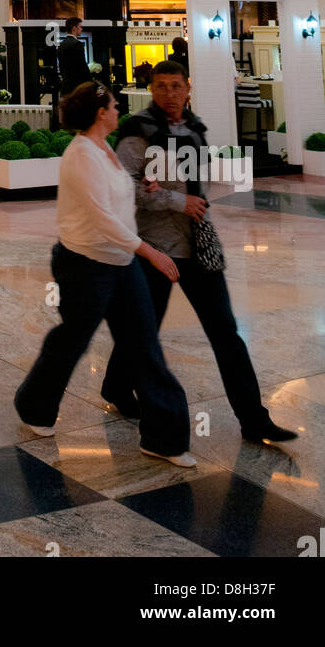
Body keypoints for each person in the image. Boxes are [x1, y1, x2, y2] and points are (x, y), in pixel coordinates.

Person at [101, 61, 297, 444]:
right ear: (151, 89)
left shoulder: (195, 129)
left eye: (176, 86)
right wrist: (176, 201)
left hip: (198, 248)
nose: (169, 94)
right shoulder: (137, 132)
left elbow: (197, 187)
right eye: (161, 86)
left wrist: (187, 203)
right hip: (155, 251)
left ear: (188, 88)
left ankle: (254, 419)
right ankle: (116, 387)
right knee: (144, 332)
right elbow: (123, 188)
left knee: (226, 333)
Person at [14, 81, 194, 466]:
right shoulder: (80, 155)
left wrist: (144, 184)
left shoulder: (103, 147)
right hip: (84, 264)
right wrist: (151, 253)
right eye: (114, 104)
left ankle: (164, 439)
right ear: (100, 112)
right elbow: (102, 218)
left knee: (144, 345)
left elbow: (115, 193)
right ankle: (34, 406)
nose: (118, 109)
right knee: (72, 340)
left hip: (120, 263)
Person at [58, 16, 91, 97]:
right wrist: (90, 81)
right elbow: (82, 66)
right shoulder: (77, 44)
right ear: (74, 28)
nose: (81, 29)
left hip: (65, 87)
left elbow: (61, 67)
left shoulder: (61, 45)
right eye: (80, 27)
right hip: (77, 88)